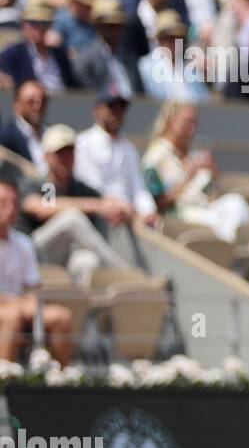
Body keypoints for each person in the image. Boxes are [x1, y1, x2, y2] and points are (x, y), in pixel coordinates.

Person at [17, 124, 134, 284]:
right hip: (33, 254)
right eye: (60, 154)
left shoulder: (78, 187)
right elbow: (44, 208)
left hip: (65, 256)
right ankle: (128, 274)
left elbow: (107, 202)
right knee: (72, 218)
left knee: (88, 261)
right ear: (46, 156)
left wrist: (122, 208)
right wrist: (97, 206)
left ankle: (87, 307)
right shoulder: (45, 184)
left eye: (69, 152)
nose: (66, 159)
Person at [142, 102, 249, 241]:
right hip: (178, 215)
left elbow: (211, 196)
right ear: (171, 120)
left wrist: (214, 174)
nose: (192, 129)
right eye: (187, 122)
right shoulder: (155, 157)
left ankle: (226, 250)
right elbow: (157, 204)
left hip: (204, 208)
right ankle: (225, 253)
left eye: (194, 123)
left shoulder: (193, 153)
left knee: (237, 204)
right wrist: (187, 178)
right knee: (219, 223)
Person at [0, 175, 73, 366]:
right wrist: (18, 304)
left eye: (14, 203)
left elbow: (33, 287)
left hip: (19, 306)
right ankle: (5, 382)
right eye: (3, 203)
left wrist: (30, 305)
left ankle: (60, 380)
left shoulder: (24, 243)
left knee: (61, 317)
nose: (9, 209)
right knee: (13, 316)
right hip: (12, 308)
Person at [74, 86, 160, 228]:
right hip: (99, 218)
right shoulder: (83, 144)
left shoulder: (129, 148)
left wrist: (149, 212)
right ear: (97, 110)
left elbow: (139, 188)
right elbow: (91, 186)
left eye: (121, 108)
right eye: (111, 106)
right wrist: (120, 207)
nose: (116, 112)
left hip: (128, 218)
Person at [0, 0, 77, 92]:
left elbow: (74, 87)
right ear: (23, 24)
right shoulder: (11, 55)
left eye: (44, 23)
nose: (38, 28)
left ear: (50, 26)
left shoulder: (59, 54)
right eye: (33, 23)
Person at [0, 80, 48, 171]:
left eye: (43, 101)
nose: (38, 106)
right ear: (17, 105)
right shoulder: (5, 137)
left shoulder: (52, 132)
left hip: (51, 185)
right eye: (31, 101)